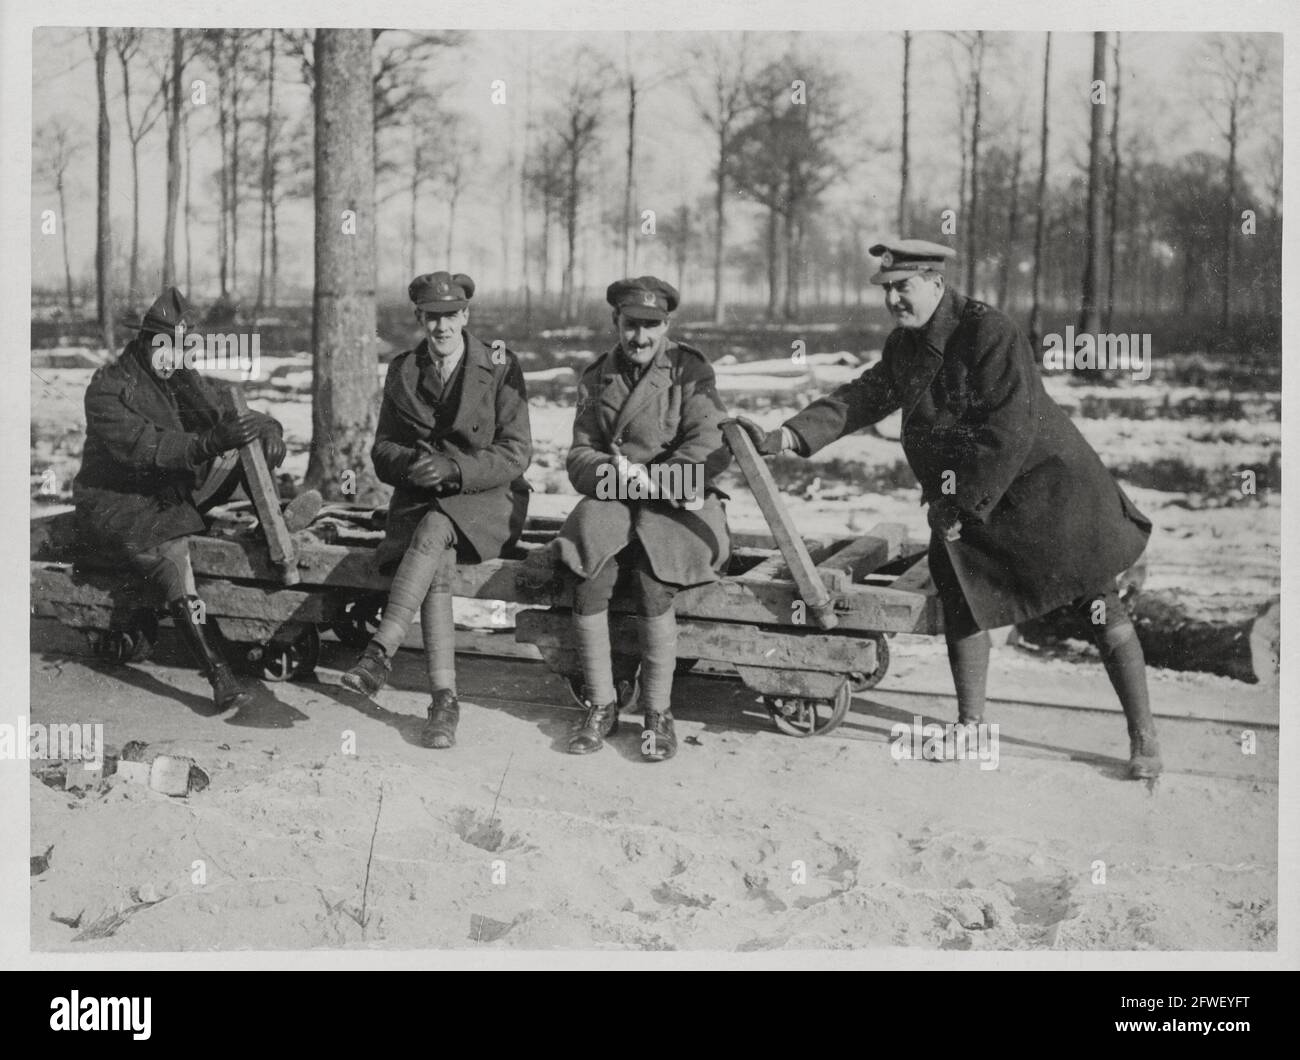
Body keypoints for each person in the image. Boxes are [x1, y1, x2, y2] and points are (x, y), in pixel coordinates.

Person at [732, 240, 1161, 780]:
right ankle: (970, 727)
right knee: (961, 595)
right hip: (971, 498)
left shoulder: (989, 332)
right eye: (885, 290)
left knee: (1100, 607)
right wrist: (788, 436)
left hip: (1047, 494)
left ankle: (1143, 737)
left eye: (901, 287)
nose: (892, 300)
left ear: (936, 282)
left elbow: (1009, 429)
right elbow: (862, 396)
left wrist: (960, 503)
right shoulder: (906, 347)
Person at [73, 287, 296, 712]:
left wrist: (269, 431)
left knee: (243, 450)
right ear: (145, 341)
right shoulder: (109, 388)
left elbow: (224, 411)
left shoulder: (179, 377)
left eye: (182, 348)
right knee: (176, 563)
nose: (175, 358)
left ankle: (277, 523)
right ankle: (218, 674)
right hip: (119, 504)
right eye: (166, 347)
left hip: (171, 492)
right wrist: (209, 442)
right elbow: (143, 448)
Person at [342, 272, 532, 749]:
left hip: (488, 500)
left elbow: (516, 452)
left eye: (451, 316)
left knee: (433, 530)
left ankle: (380, 651)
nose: (442, 327)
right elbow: (382, 451)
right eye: (432, 317)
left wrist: (455, 468)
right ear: (420, 318)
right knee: (435, 559)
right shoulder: (403, 370)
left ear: (466, 315)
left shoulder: (501, 366)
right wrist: (412, 464)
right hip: (422, 501)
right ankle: (443, 703)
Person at [553, 277, 732, 762]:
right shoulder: (596, 377)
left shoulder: (689, 371)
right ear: (617, 322)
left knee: (656, 581)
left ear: (666, 325)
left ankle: (657, 713)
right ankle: (602, 703)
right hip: (616, 495)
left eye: (651, 326)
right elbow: (579, 453)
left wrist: (660, 482)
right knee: (589, 577)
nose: (640, 337)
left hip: (678, 502)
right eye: (632, 325)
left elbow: (708, 444)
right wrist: (609, 472)